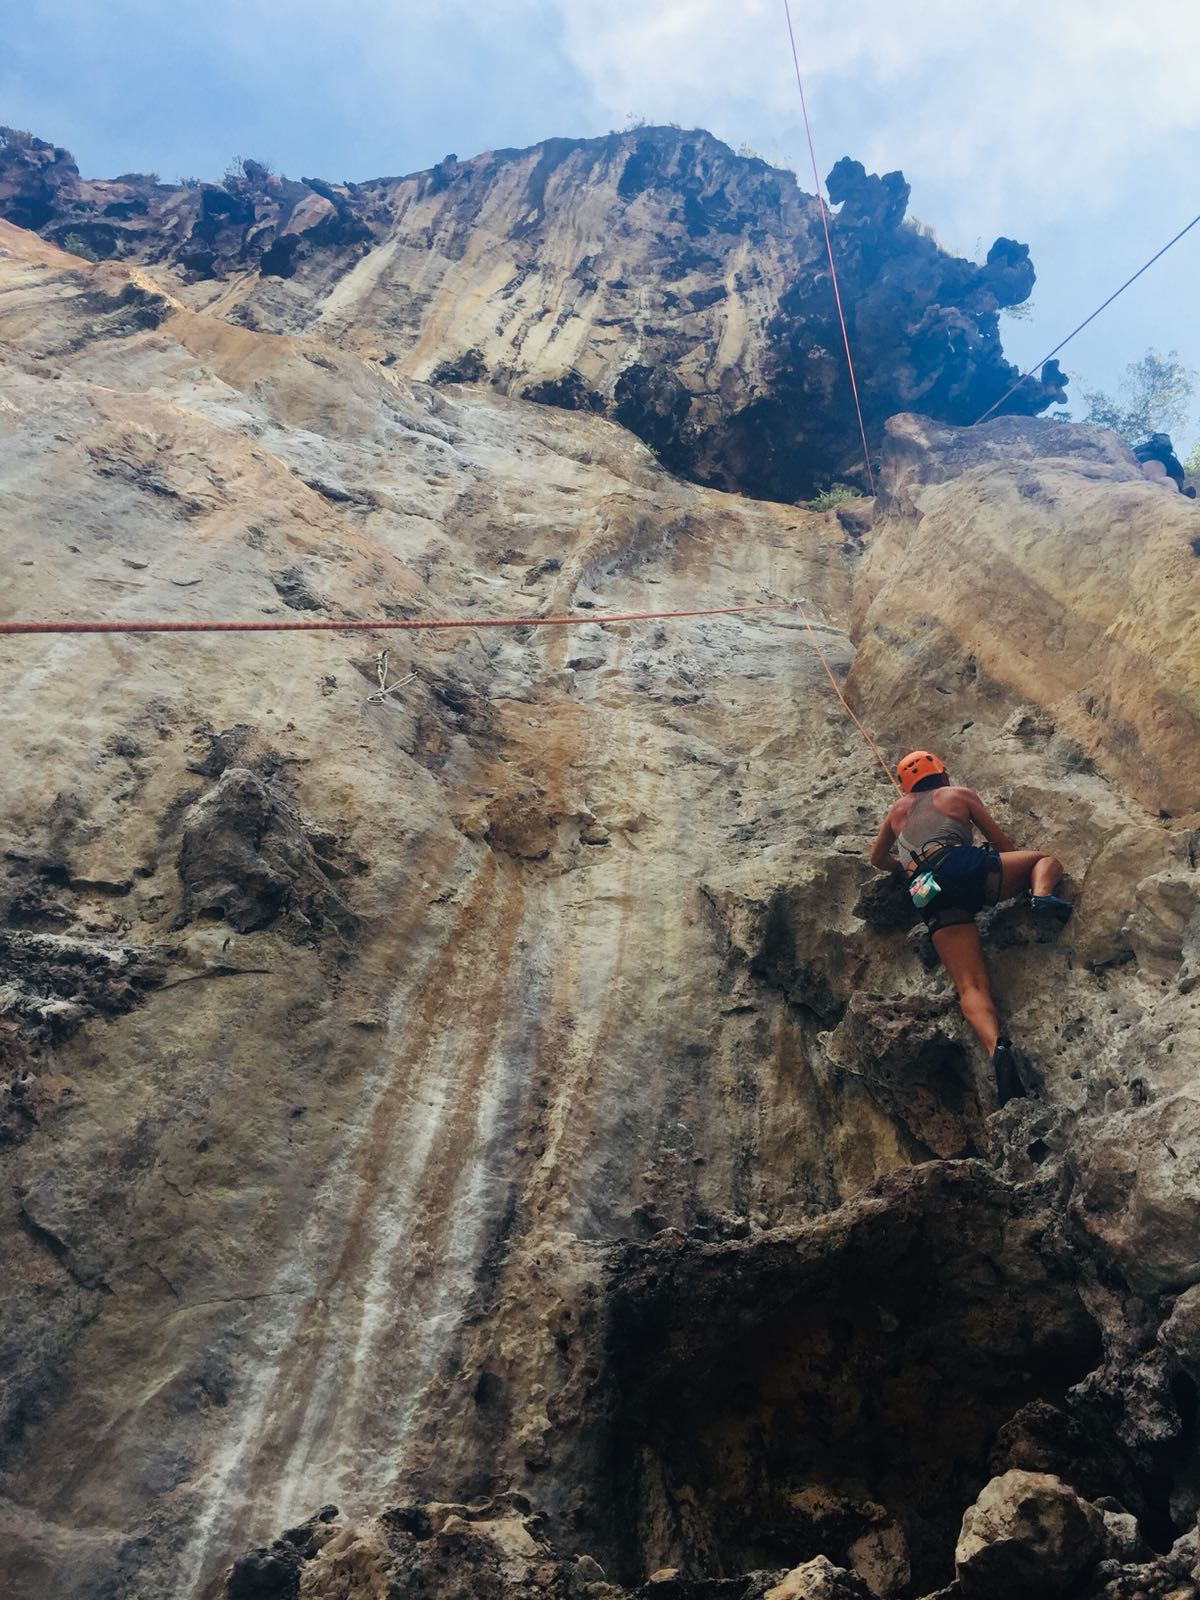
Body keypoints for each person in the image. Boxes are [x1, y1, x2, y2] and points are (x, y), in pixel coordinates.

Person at [869, 750, 1072, 1104]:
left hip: (924, 889)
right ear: (941, 773)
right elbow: (1001, 844)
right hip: (960, 864)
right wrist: (1015, 871)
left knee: (969, 984)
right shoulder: (958, 794)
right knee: (1044, 859)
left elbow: (876, 859)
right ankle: (1042, 897)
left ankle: (997, 1047)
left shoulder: (896, 812)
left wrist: (905, 868)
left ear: (905, 785)